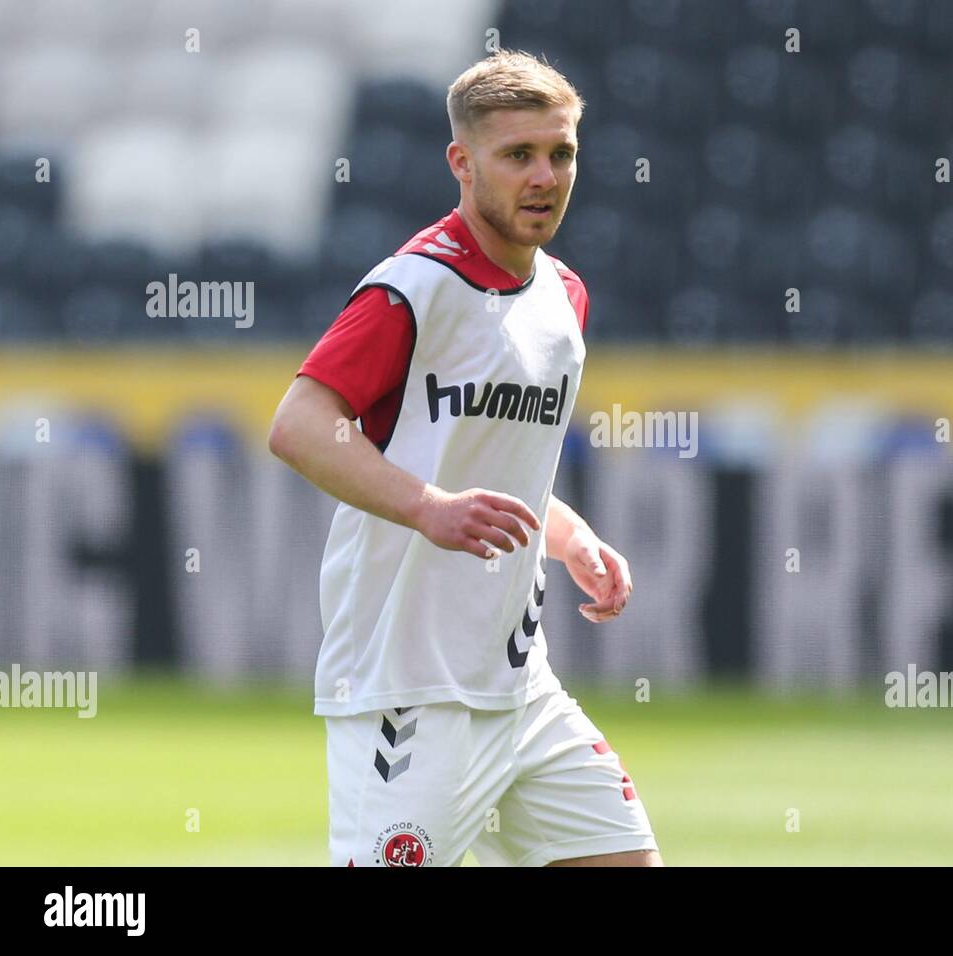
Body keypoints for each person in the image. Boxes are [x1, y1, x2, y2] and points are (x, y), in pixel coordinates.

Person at [268, 49, 661, 867]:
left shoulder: (565, 296)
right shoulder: (413, 289)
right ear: (462, 162)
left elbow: (497, 465)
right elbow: (300, 425)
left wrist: (570, 538)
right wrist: (426, 509)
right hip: (410, 692)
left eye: (562, 153)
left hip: (520, 686)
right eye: (518, 155)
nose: (545, 176)